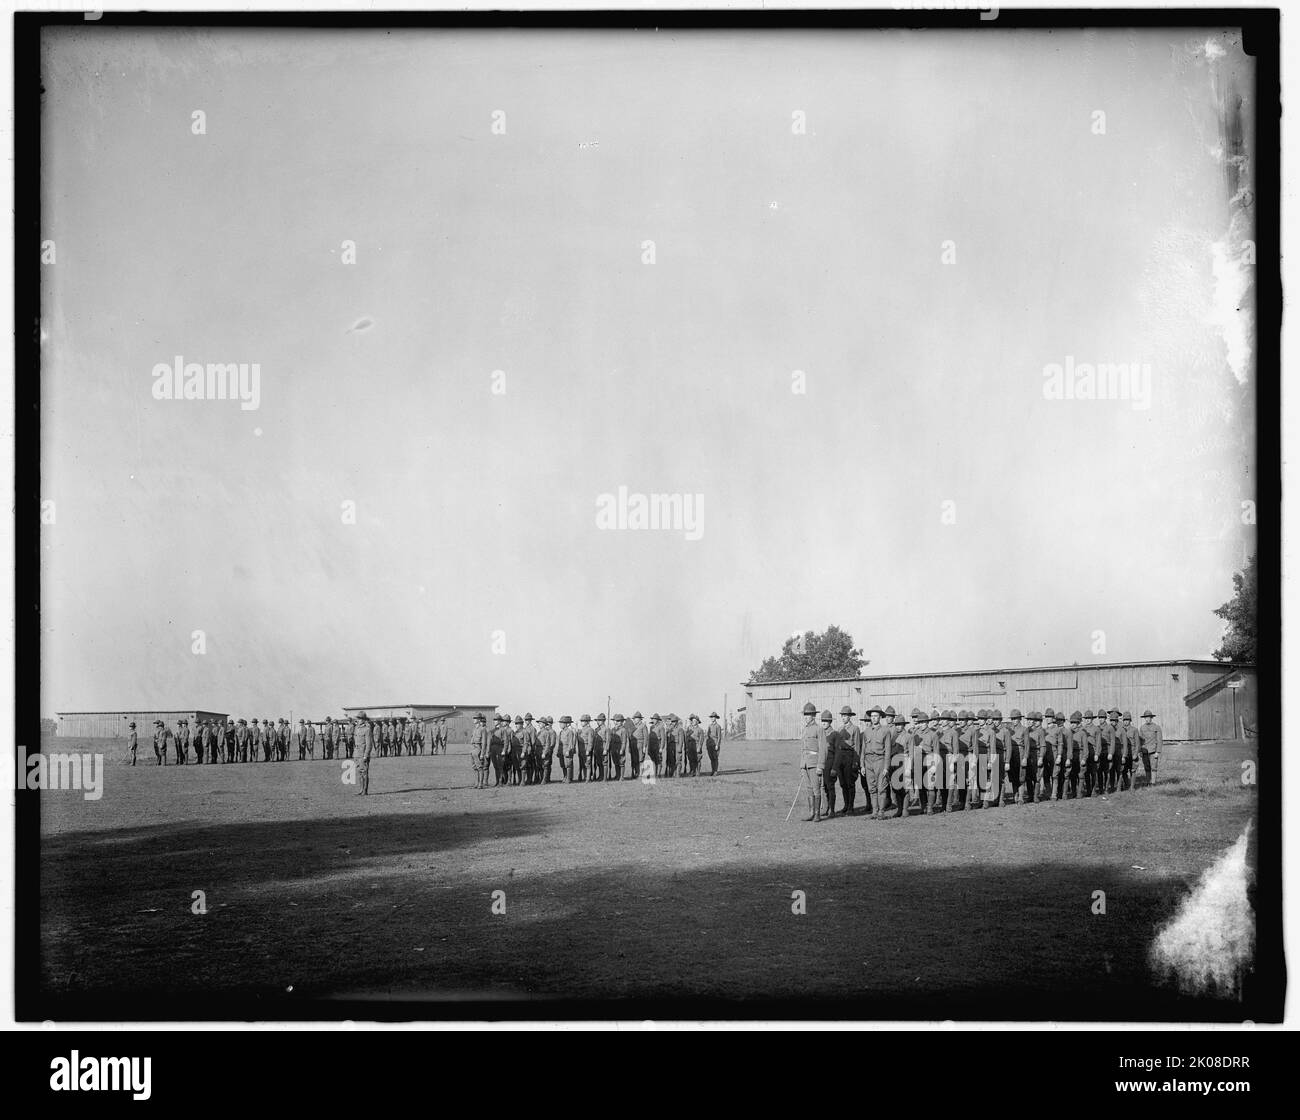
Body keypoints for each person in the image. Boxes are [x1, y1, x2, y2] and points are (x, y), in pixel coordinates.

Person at [798, 702, 831, 822]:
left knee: (816, 788)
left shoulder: (819, 729)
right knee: (808, 788)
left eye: (808, 715)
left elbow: (823, 749)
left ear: (813, 716)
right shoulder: (805, 730)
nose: (806, 717)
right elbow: (803, 749)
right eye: (805, 715)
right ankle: (811, 812)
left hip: (814, 763)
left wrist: (820, 766)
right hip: (806, 763)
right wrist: (802, 766)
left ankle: (817, 814)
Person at [1138, 709, 1162, 788]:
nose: (1147, 719)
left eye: (1149, 717)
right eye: (1146, 717)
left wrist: (1157, 752)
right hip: (1145, 751)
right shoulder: (1142, 728)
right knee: (1147, 767)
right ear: (1144, 718)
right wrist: (1140, 751)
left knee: (1154, 767)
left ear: (1151, 718)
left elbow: (1159, 740)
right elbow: (1140, 741)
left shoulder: (1156, 727)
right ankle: (1148, 782)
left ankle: (1153, 782)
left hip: (1153, 751)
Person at [558, 715, 577, 781]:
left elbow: (570, 742)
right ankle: (565, 776)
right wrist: (558, 751)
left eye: (562, 723)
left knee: (568, 764)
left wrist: (568, 750)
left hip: (567, 750)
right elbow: (559, 743)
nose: (560, 724)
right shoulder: (561, 732)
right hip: (562, 750)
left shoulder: (569, 732)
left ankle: (569, 778)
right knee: (562, 764)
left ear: (566, 724)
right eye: (560, 723)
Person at [705, 711, 723, 776]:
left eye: (714, 717)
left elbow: (719, 736)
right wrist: (707, 744)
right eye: (711, 717)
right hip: (710, 744)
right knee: (711, 758)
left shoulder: (718, 726)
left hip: (715, 744)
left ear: (716, 718)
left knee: (715, 758)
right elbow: (708, 735)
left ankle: (715, 771)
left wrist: (717, 745)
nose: (712, 718)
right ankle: (713, 770)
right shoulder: (709, 726)